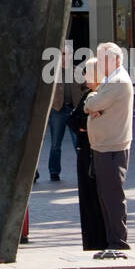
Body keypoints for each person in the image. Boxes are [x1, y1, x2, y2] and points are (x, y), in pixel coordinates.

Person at [83, 42, 134, 254]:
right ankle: (111, 241)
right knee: (106, 197)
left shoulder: (118, 81)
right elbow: (92, 101)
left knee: (112, 198)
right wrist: (93, 101)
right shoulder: (110, 80)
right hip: (104, 147)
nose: (101, 63)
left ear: (115, 59)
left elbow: (93, 104)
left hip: (112, 148)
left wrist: (92, 102)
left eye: (104, 58)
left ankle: (118, 242)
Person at [67, 56, 107, 252]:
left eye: (88, 74)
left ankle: (100, 241)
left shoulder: (103, 96)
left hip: (95, 153)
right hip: (83, 153)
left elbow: (90, 123)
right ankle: (89, 243)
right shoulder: (86, 95)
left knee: (96, 199)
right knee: (86, 201)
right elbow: (73, 121)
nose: (84, 78)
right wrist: (85, 123)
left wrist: (85, 124)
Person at [46, 47, 77, 182]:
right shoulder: (52, 72)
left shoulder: (78, 71)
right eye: (63, 54)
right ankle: (54, 171)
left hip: (74, 110)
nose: (66, 56)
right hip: (58, 110)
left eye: (68, 54)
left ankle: (84, 170)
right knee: (55, 144)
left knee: (78, 143)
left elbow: (84, 88)